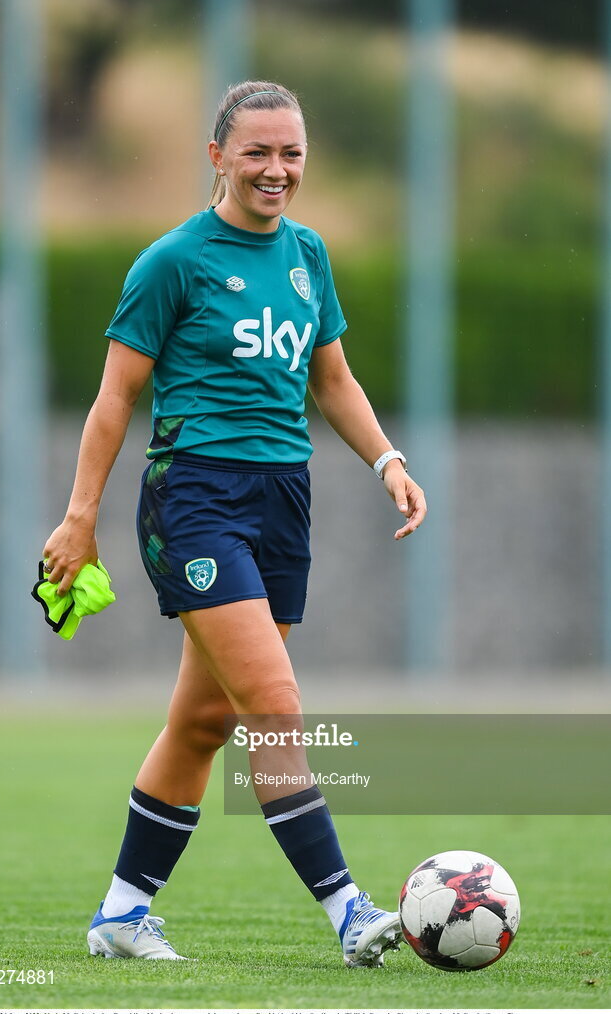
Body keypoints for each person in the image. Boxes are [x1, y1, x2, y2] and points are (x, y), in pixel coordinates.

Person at [42, 80, 427, 967]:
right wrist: (79, 518)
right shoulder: (173, 260)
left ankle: (121, 914)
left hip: (283, 497)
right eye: (256, 152)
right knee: (274, 707)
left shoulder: (308, 255)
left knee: (203, 721)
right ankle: (347, 909)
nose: (276, 169)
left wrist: (387, 462)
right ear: (216, 157)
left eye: (290, 153)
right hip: (194, 497)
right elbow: (113, 400)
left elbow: (330, 379)